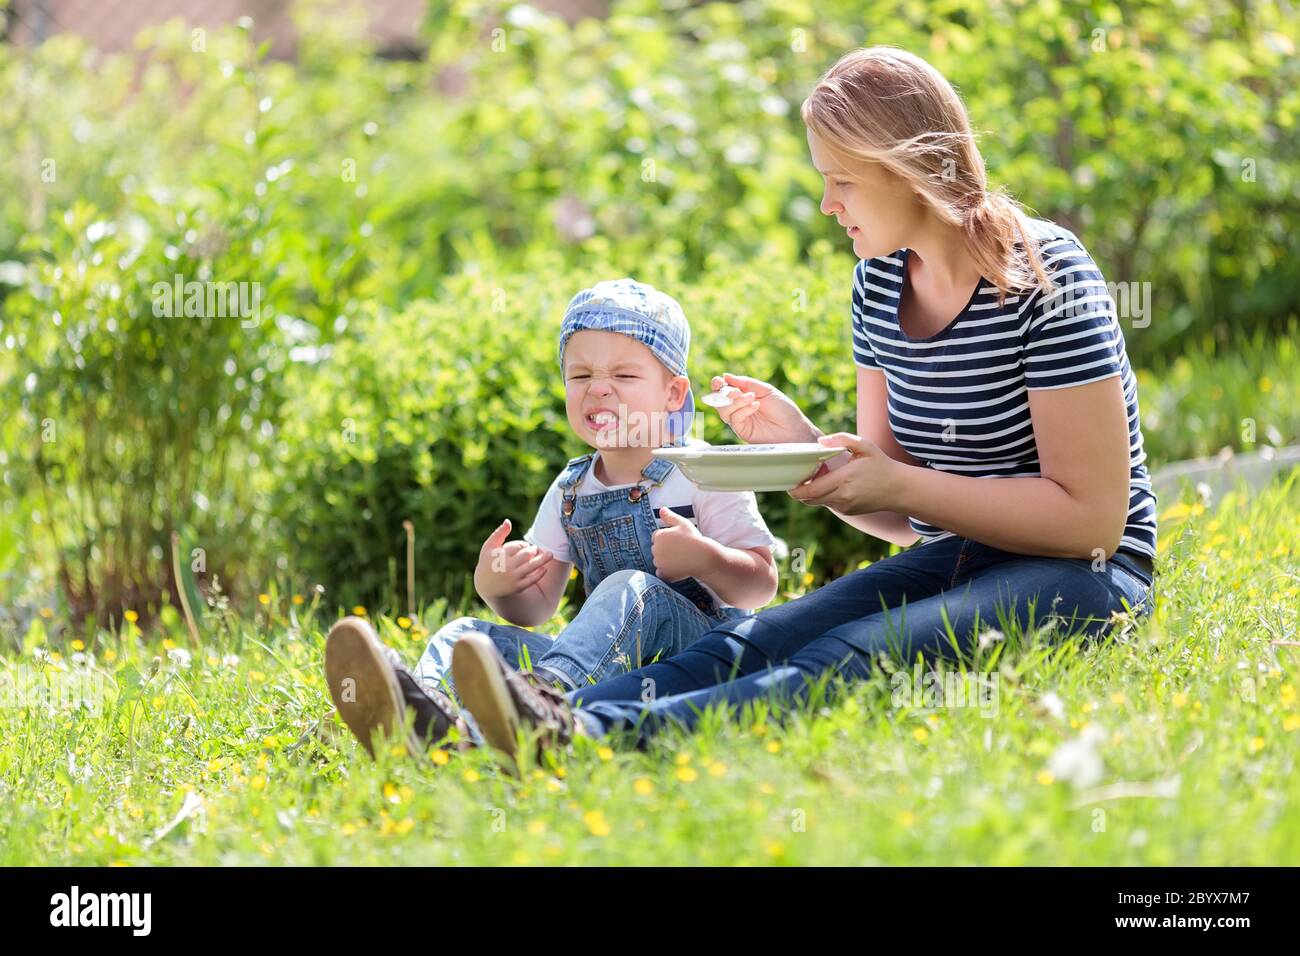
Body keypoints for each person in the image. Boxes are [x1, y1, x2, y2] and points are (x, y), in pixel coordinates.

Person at [448, 46, 1157, 766]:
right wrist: (807, 451)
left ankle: (578, 739)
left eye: (842, 180)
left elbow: (1090, 522)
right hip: (956, 558)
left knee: (853, 651)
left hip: (1089, 576)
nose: (827, 204)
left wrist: (901, 484)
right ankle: (474, 730)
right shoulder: (879, 287)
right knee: (759, 639)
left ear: (908, 169)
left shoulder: (1046, 274)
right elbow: (901, 511)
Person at [324, 278, 778, 758]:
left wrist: (705, 559)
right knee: (465, 633)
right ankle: (418, 711)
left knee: (633, 586)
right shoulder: (572, 487)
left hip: (704, 658)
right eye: (580, 377)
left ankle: (537, 699)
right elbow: (538, 608)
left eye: (623, 377)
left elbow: (762, 584)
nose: (599, 390)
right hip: (610, 665)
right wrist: (497, 586)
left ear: (673, 393)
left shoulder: (703, 471)